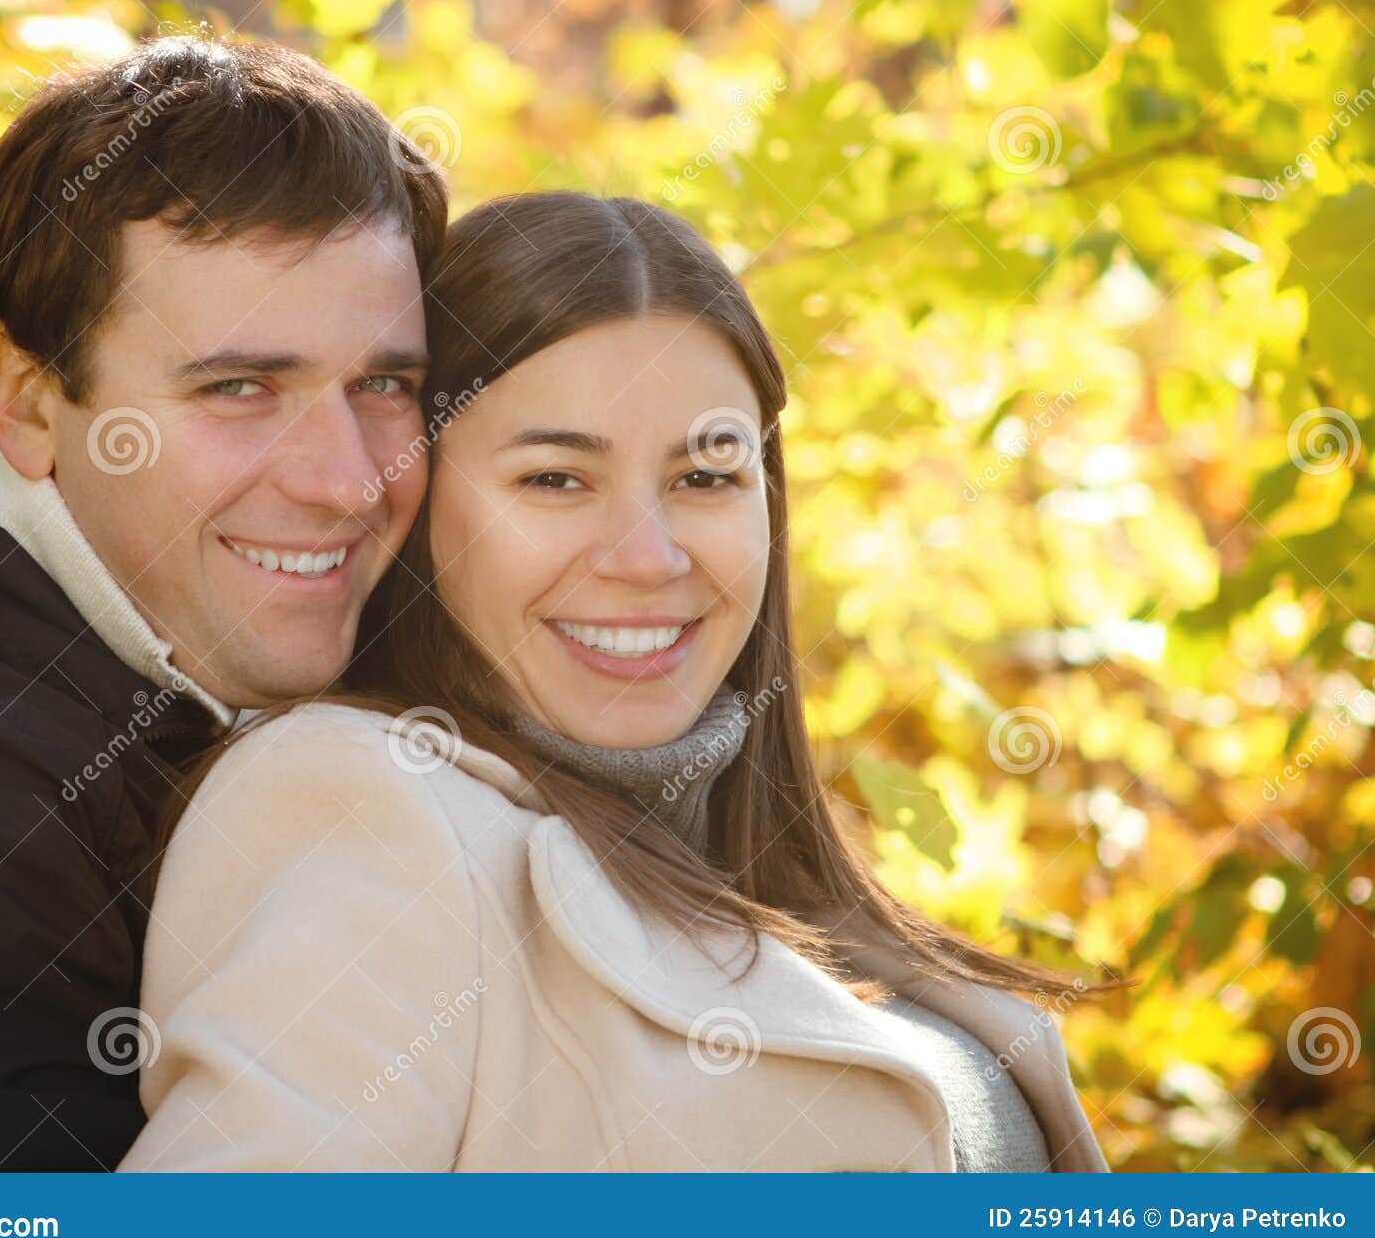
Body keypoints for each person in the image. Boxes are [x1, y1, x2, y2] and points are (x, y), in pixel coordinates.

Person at [122, 191, 1111, 1173]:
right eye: (555, 480)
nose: (646, 558)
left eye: (704, 477)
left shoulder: (768, 877)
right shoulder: (361, 813)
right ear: (418, 511)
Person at [0, 35, 445, 1171]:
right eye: (240, 389)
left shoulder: (309, 659)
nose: (345, 480)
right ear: (28, 401)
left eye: (384, 385)